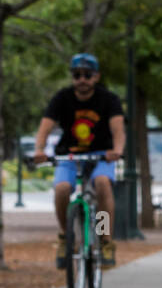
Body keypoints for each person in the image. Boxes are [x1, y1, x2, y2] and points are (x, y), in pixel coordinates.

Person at [32, 53, 126, 268]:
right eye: (77, 75)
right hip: (69, 154)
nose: (82, 79)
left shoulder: (109, 99)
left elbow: (118, 129)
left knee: (102, 183)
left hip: (102, 153)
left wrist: (117, 150)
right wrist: (39, 149)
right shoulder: (62, 98)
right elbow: (45, 127)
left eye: (87, 75)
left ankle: (105, 240)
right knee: (62, 188)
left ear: (96, 77)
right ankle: (66, 237)